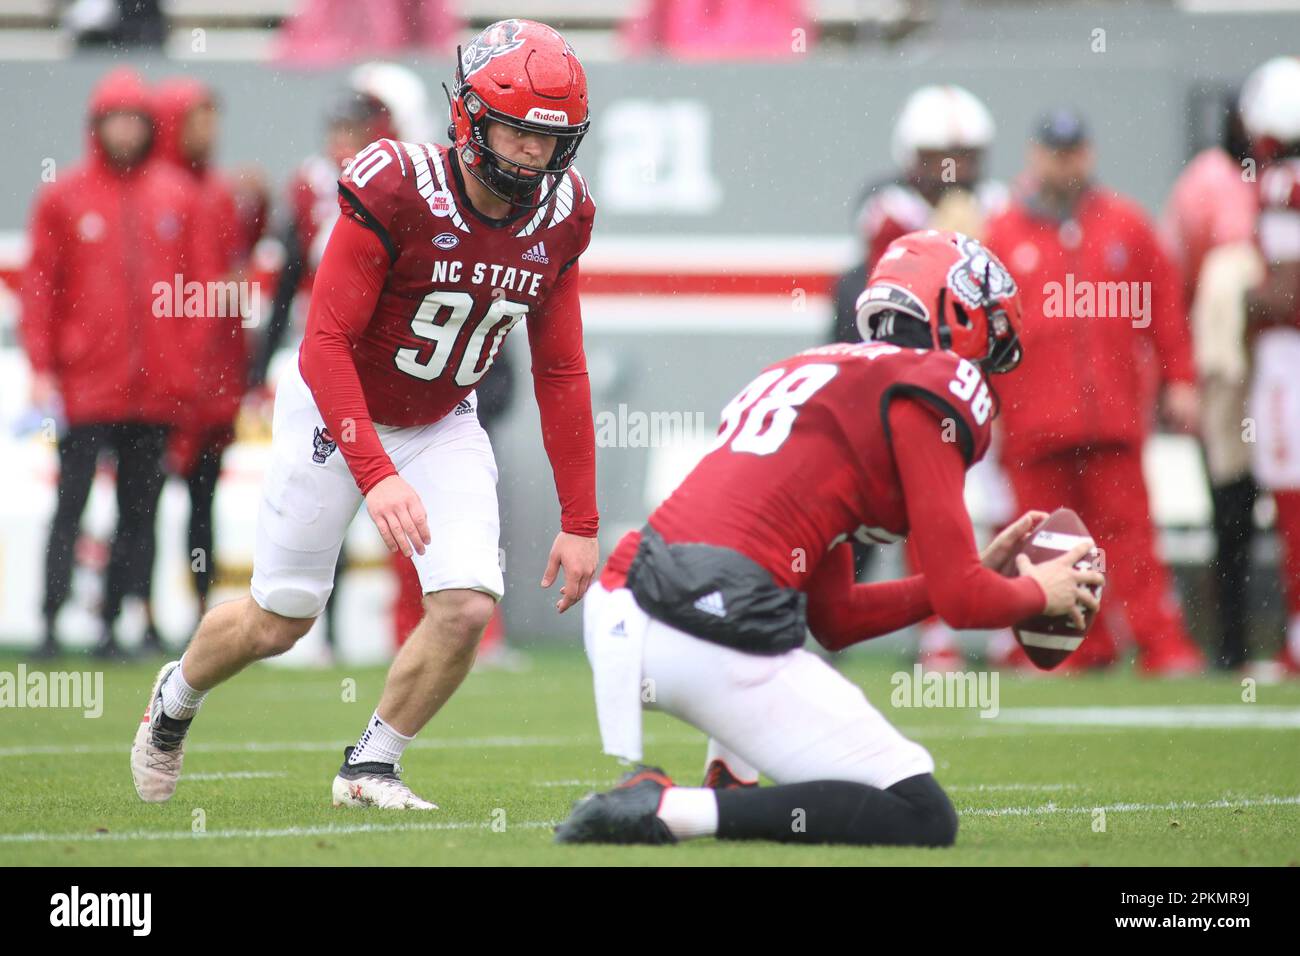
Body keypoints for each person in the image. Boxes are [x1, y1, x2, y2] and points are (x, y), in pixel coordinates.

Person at [131, 19, 600, 809]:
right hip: (336, 406)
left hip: (444, 417)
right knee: (281, 619)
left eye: (551, 140)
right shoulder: (395, 185)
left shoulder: (561, 216)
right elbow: (323, 344)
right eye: (518, 132)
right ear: (471, 119)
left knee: (464, 606)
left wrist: (581, 518)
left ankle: (370, 765)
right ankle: (174, 700)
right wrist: (375, 473)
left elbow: (561, 367)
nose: (533, 155)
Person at [557, 231, 1103, 846]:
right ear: (957, 313)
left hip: (630, 604)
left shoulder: (812, 373)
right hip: (701, 622)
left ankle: (729, 779)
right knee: (923, 814)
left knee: (780, 616)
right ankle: (669, 811)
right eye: (988, 345)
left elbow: (835, 617)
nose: (982, 372)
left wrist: (977, 574)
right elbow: (964, 603)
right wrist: (1038, 592)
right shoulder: (930, 383)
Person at [984, 109, 1204, 675]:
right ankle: (1072, 648)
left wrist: (1180, 380)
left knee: (1131, 542)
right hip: (1035, 423)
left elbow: (1166, 310)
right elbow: (983, 329)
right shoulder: (1004, 232)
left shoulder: (1126, 225)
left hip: (1112, 416)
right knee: (1045, 546)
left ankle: (1162, 645)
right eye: (1055, 151)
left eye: (1075, 150)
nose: (1066, 161)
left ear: (1090, 153)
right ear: (1034, 155)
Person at [20, 67, 213, 659]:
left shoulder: (176, 195)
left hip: (154, 390)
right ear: (96, 125)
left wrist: (184, 367)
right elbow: (40, 289)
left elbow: (199, 289)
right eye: (115, 119)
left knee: (142, 510)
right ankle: (51, 621)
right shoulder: (64, 196)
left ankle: (118, 620)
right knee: (70, 505)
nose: (125, 131)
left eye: (135, 119)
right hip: (87, 389)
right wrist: (43, 367)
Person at [833, 84, 1009, 669]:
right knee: (905, 508)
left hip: (978, 375)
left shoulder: (1000, 205)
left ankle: (1006, 627)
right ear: (911, 159)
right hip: (908, 380)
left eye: (965, 157)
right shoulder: (889, 207)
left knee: (992, 501)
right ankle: (926, 630)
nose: (954, 171)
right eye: (937, 158)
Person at [153, 76, 264, 626]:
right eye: (198, 119)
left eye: (212, 118)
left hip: (214, 384)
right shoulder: (155, 193)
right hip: (156, 385)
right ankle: (135, 611)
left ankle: (200, 609)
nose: (209, 131)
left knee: (203, 502)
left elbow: (232, 285)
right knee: (141, 503)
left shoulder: (220, 193)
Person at [1160, 92, 1260, 670]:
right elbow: (1200, 281)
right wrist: (1181, 376)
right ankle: (1234, 646)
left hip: (1269, 364)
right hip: (1232, 368)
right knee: (1233, 504)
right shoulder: (1211, 180)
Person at [1241, 57, 1300, 675]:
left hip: (1291, 360)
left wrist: (1238, 293)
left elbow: (1285, 293)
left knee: (1293, 504)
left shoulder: (1283, 183)